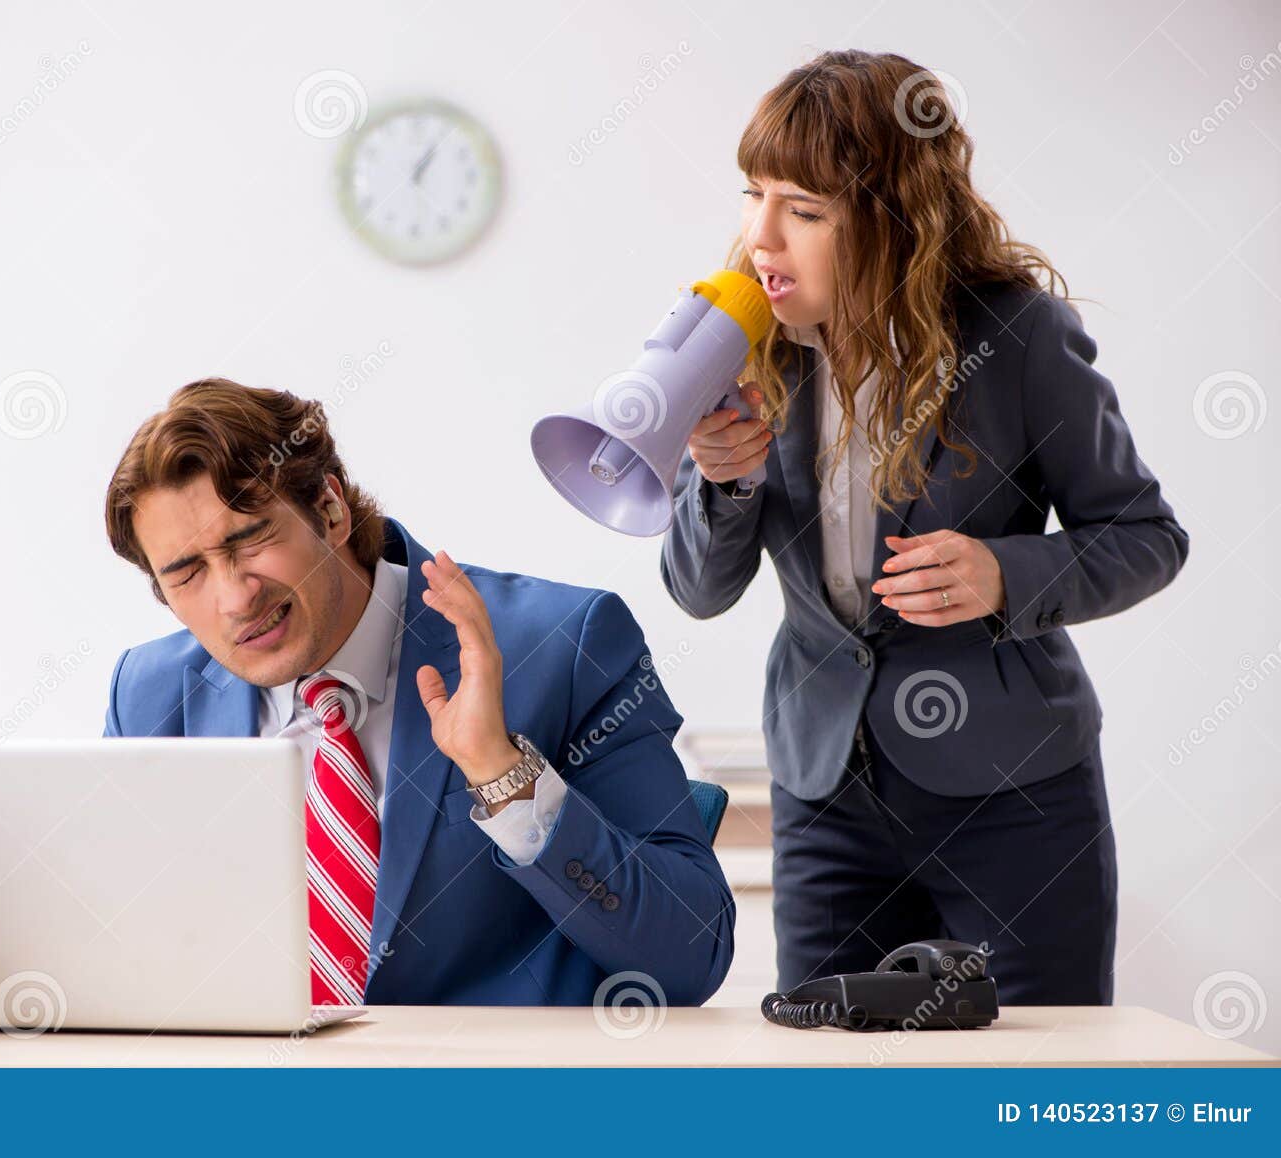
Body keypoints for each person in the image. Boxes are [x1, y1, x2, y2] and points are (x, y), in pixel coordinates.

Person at [661, 50, 1188, 1004]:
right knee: (832, 1087)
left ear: (893, 218)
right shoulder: (740, 342)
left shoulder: (1019, 337)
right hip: (826, 795)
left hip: (1017, 795)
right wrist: (721, 481)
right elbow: (699, 590)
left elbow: (1147, 534)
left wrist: (1005, 575)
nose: (762, 237)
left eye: (806, 211)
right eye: (755, 195)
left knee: (1039, 1077)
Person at [104, 378, 734, 1006]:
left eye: (250, 540)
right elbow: (116, 952)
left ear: (329, 508)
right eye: (187, 575)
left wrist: (504, 775)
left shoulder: (563, 647)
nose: (235, 597)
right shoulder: (149, 699)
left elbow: (691, 956)